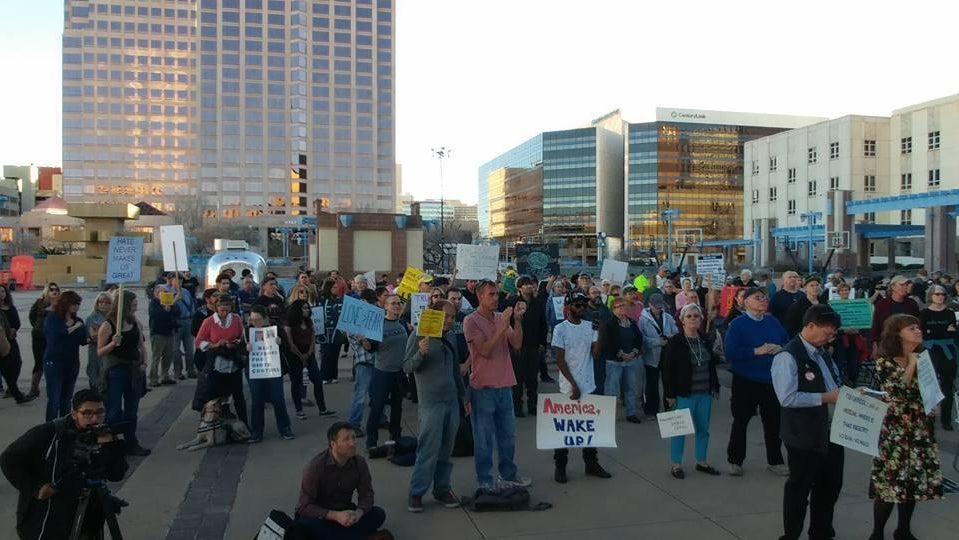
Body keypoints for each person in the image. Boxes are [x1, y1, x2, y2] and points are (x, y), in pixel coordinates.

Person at [1, 389, 129, 540]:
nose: (95, 419)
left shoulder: (104, 434)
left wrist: (109, 446)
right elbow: (9, 459)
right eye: (87, 413)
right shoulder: (50, 433)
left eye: (100, 412)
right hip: (49, 516)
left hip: (87, 513)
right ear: (74, 414)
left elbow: (116, 474)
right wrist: (36, 487)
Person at [771, 305, 845, 540]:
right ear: (810, 326)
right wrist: (826, 398)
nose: (830, 338)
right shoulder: (788, 356)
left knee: (829, 488)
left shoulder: (823, 352)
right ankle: (791, 534)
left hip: (831, 432)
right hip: (803, 435)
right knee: (799, 489)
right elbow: (787, 397)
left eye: (833, 334)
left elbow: (833, 382)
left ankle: (822, 533)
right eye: (827, 332)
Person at [869, 314, 944, 540]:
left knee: (913, 483)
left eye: (918, 327)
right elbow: (896, 391)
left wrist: (933, 404)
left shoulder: (924, 357)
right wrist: (911, 364)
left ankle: (903, 529)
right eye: (912, 328)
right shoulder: (885, 361)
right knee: (890, 483)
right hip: (895, 430)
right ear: (898, 333)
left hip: (920, 426)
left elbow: (931, 387)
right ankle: (877, 532)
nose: (918, 331)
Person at [464, 279, 531, 488]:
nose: (496, 298)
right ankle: (485, 480)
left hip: (504, 385)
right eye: (491, 294)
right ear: (480, 296)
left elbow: (517, 343)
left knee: (508, 436)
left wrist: (517, 320)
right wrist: (501, 328)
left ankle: (508, 474)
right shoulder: (471, 321)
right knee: (483, 440)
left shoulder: (501, 318)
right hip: (483, 388)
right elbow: (483, 350)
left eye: (497, 294)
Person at [403, 299, 468, 512]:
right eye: (446, 316)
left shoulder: (449, 336)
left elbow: (455, 371)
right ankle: (417, 491)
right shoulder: (419, 335)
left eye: (452, 317)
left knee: (446, 449)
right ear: (435, 315)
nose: (450, 320)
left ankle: (442, 489)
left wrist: (464, 397)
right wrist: (420, 354)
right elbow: (406, 367)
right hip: (430, 403)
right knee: (428, 449)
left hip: (450, 401)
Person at [723, 287, 789, 476]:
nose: (762, 300)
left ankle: (775, 461)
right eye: (757, 297)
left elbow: (788, 341)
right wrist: (755, 351)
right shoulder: (737, 325)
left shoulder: (772, 321)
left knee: (773, 423)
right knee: (741, 421)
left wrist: (781, 347)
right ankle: (735, 460)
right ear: (745, 302)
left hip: (771, 380)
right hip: (746, 380)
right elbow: (730, 353)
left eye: (764, 297)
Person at [550, 292, 612, 483]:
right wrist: (573, 384)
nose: (582, 309)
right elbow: (559, 359)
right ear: (569, 308)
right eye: (578, 305)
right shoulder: (560, 329)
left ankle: (591, 462)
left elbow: (596, 353)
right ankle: (560, 466)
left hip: (588, 383)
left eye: (584, 305)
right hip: (568, 387)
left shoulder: (589, 326)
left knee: (588, 428)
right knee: (565, 430)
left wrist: (599, 331)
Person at [295, 422, 392, 540]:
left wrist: (358, 513)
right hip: (322, 517)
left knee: (378, 514)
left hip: (345, 512)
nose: (352, 443)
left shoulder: (359, 462)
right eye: (346, 440)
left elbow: (367, 494)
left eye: (353, 438)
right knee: (307, 527)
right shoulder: (316, 467)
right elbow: (303, 506)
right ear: (333, 444)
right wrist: (335, 516)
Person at [662, 303, 721, 479]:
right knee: (679, 430)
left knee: (703, 430)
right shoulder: (675, 342)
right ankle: (676, 464)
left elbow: (711, 364)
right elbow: (667, 370)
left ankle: (701, 461)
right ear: (681, 320)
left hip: (704, 393)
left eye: (697, 316)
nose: (693, 319)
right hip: (684, 394)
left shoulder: (705, 339)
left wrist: (715, 386)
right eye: (689, 316)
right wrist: (670, 395)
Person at [97, 290, 151, 457]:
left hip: (134, 369)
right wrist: (113, 343)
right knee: (113, 409)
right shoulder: (108, 325)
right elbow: (100, 351)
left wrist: (144, 362)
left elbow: (141, 345)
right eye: (133, 305)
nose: (135, 308)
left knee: (131, 410)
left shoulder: (134, 322)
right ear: (124, 305)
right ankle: (109, 443)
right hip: (116, 371)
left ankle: (131, 442)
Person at [195, 296, 249, 426]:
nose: (224, 313)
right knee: (214, 396)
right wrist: (216, 344)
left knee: (238, 395)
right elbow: (199, 342)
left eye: (226, 310)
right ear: (216, 308)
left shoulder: (235, 319)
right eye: (221, 310)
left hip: (233, 362)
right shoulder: (209, 322)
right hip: (216, 363)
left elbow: (242, 337)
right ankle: (210, 424)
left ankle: (245, 423)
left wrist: (236, 343)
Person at [365, 294, 409, 449]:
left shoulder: (402, 322)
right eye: (392, 303)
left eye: (398, 303)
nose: (396, 306)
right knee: (378, 407)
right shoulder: (378, 324)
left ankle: (396, 437)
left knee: (397, 407)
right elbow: (372, 348)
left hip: (399, 372)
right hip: (383, 372)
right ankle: (371, 441)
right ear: (385, 306)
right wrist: (363, 341)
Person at [246, 305, 294, 443]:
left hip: (273, 369)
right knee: (257, 401)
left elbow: (287, 346)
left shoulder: (277, 328)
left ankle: (285, 428)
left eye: (257, 319)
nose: (254, 323)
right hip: (256, 370)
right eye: (251, 319)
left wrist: (281, 343)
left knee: (278, 399)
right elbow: (239, 350)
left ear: (265, 318)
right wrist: (245, 348)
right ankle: (257, 432)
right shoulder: (247, 330)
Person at [284, 299, 335, 420]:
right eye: (304, 308)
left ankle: (322, 408)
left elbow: (313, 337)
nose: (307, 310)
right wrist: (300, 355)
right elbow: (290, 342)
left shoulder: (308, 321)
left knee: (317, 379)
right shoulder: (289, 322)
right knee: (296, 382)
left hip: (309, 353)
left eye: (308, 308)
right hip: (294, 355)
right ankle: (299, 410)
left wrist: (309, 352)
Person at [43, 291, 88, 421]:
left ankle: (65, 425)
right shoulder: (53, 318)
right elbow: (55, 336)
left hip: (72, 362)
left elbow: (83, 341)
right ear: (65, 304)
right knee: (54, 399)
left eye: (78, 304)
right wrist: (74, 327)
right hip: (54, 362)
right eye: (73, 304)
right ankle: (50, 427)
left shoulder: (78, 320)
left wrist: (89, 334)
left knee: (66, 398)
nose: (76, 307)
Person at [918, 284, 957, 430]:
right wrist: (942, 331)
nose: (940, 297)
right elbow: (924, 333)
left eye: (943, 295)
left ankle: (946, 420)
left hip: (947, 350)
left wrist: (935, 331)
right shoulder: (924, 313)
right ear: (931, 296)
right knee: (929, 385)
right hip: (930, 350)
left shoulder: (949, 313)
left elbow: (952, 332)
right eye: (937, 294)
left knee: (947, 385)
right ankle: (929, 418)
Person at [510, 275, 549, 417]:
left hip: (534, 346)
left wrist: (542, 343)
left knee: (532, 378)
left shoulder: (537, 303)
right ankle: (517, 407)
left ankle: (533, 405)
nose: (529, 287)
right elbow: (508, 324)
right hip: (517, 347)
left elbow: (543, 325)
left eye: (531, 284)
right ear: (519, 288)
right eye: (525, 284)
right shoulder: (513, 302)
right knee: (517, 379)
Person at [603, 297, 643, 423]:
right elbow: (608, 341)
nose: (622, 308)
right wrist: (621, 353)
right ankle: (609, 415)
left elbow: (638, 337)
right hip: (614, 361)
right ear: (613, 309)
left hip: (631, 360)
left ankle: (631, 413)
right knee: (612, 389)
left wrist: (634, 352)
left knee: (630, 387)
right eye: (619, 306)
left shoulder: (631, 322)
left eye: (623, 306)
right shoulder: (609, 324)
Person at [638, 294, 679, 417]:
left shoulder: (668, 317)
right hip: (651, 355)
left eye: (660, 306)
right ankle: (651, 409)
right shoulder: (643, 319)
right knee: (651, 384)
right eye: (656, 306)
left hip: (667, 354)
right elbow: (641, 338)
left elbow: (676, 332)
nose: (658, 308)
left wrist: (669, 338)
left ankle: (669, 407)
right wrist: (656, 342)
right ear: (650, 305)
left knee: (669, 382)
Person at [348, 290, 380, 437]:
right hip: (364, 362)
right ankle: (354, 424)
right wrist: (362, 339)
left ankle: (380, 418)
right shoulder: (354, 319)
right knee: (360, 395)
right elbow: (355, 341)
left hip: (378, 361)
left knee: (378, 394)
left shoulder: (375, 315)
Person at [871, 276, 920, 358]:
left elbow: (918, 323)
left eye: (906, 285)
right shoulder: (882, 304)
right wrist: (875, 345)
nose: (905, 287)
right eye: (902, 285)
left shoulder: (912, 303)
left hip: (908, 343)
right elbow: (876, 325)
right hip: (888, 344)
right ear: (893, 287)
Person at [27, 282, 61, 398]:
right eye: (51, 289)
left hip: (54, 338)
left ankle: (54, 387)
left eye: (56, 289)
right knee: (39, 362)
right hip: (38, 337)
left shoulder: (61, 305)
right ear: (46, 291)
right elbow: (32, 317)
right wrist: (38, 327)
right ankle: (33, 388)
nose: (54, 291)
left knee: (53, 362)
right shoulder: (39, 303)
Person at [0, 284, 32, 403]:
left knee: (17, 363)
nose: (1, 294)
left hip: (11, 339)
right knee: (4, 367)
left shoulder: (10, 307)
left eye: (3, 291)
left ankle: (12, 389)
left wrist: (14, 328)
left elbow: (17, 322)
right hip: (1, 341)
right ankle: (16, 394)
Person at [147, 278, 178, 387]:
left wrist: (172, 304)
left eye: (165, 292)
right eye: (161, 292)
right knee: (156, 356)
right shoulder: (154, 303)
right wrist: (166, 309)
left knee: (168, 356)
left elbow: (175, 312)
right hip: (158, 333)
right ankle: (153, 378)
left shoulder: (168, 302)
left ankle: (165, 375)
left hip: (169, 332)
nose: (163, 294)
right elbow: (156, 315)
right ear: (156, 293)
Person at [84, 292, 112, 392]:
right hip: (95, 352)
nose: (103, 304)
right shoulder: (92, 318)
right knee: (95, 376)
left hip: (110, 352)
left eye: (107, 302)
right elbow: (93, 336)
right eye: (101, 302)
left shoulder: (113, 317)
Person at [172, 274, 197, 380]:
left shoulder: (186, 292)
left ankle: (190, 369)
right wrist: (175, 299)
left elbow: (192, 304)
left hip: (188, 320)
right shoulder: (168, 292)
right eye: (177, 280)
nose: (179, 283)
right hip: (176, 321)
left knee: (189, 348)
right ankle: (178, 371)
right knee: (176, 349)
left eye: (181, 281)